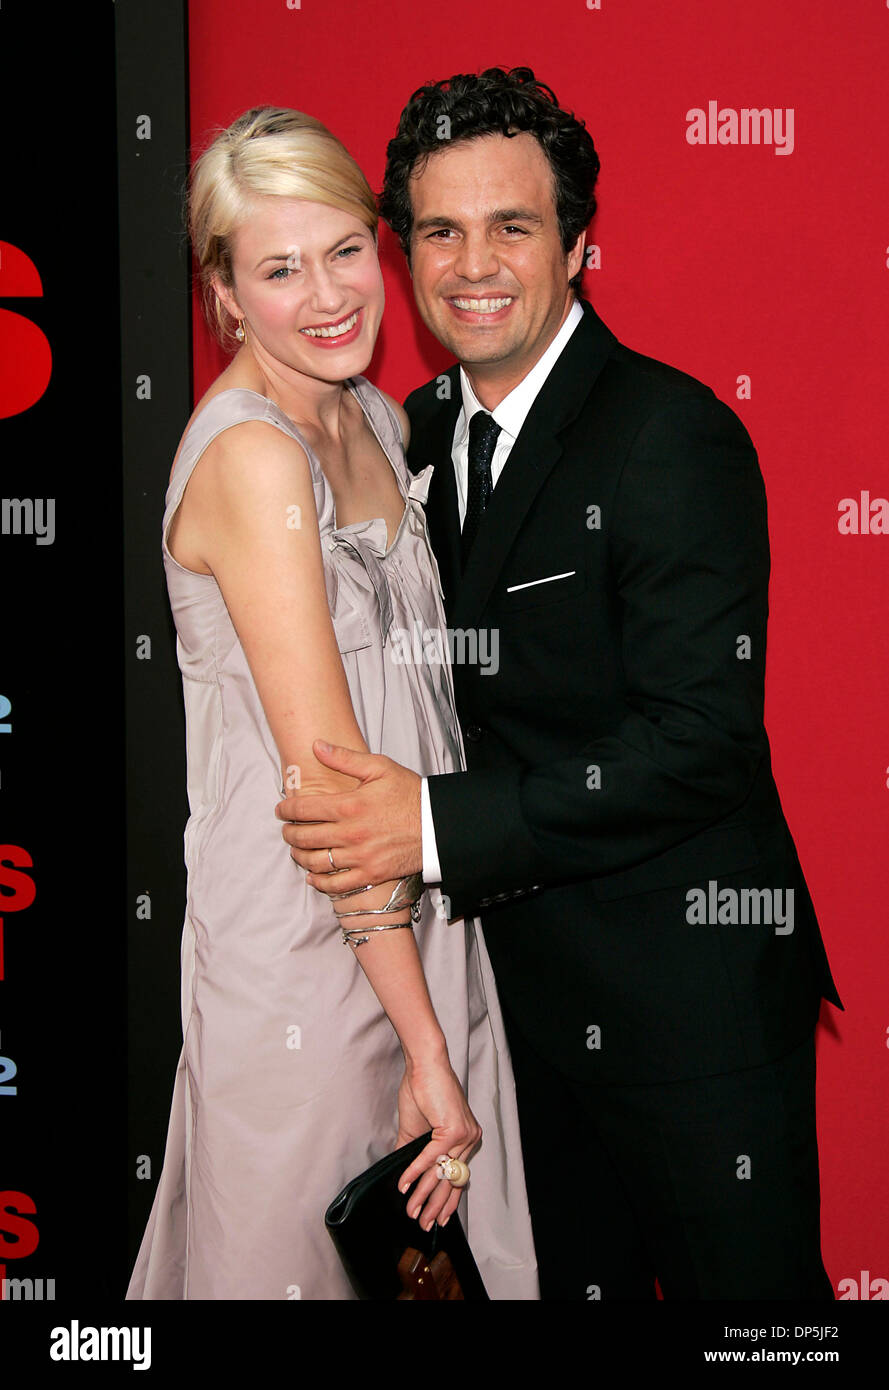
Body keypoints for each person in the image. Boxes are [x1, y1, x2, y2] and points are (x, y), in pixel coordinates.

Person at [279, 67, 843, 1300]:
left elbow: (700, 740)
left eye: (511, 227)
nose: (471, 263)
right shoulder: (406, 434)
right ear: (404, 250)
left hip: (685, 1004)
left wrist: (425, 822)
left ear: (580, 244)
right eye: (439, 229)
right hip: (511, 1014)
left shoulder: (668, 435)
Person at [125, 105, 538, 1301]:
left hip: (417, 919)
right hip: (312, 944)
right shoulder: (254, 459)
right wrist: (426, 1047)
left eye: (344, 250)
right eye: (278, 268)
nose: (326, 296)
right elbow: (328, 789)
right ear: (224, 293)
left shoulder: (368, 413)